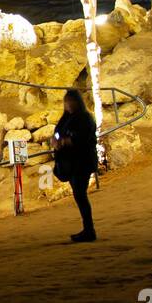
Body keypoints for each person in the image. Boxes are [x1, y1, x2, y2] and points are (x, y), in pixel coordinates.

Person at [52, 88, 98, 242]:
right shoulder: (65, 119)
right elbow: (57, 133)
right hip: (70, 163)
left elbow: (84, 138)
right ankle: (88, 229)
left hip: (82, 162)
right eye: (66, 102)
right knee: (79, 195)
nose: (69, 105)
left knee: (80, 194)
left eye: (71, 102)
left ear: (78, 102)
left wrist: (66, 141)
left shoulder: (85, 118)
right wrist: (56, 141)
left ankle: (89, 230)